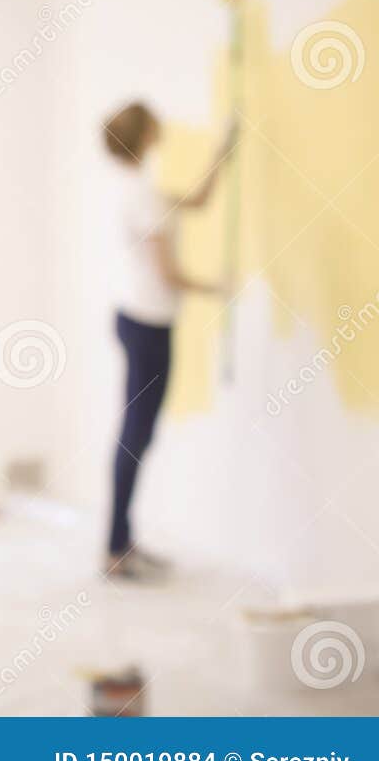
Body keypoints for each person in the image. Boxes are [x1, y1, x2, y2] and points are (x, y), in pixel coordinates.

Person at [100, 101, 235, 582]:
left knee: (138, 434)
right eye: (156, 121)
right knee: (136, 436)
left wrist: (223, 152)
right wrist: (218, 288)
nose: (163, 125)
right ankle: (116, 549)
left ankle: (121, 541)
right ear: (145, 134)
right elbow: (170, 274)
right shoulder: (142, 196)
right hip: (147, 327)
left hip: (139, 321)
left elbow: (195, 201)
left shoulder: (140, 189)